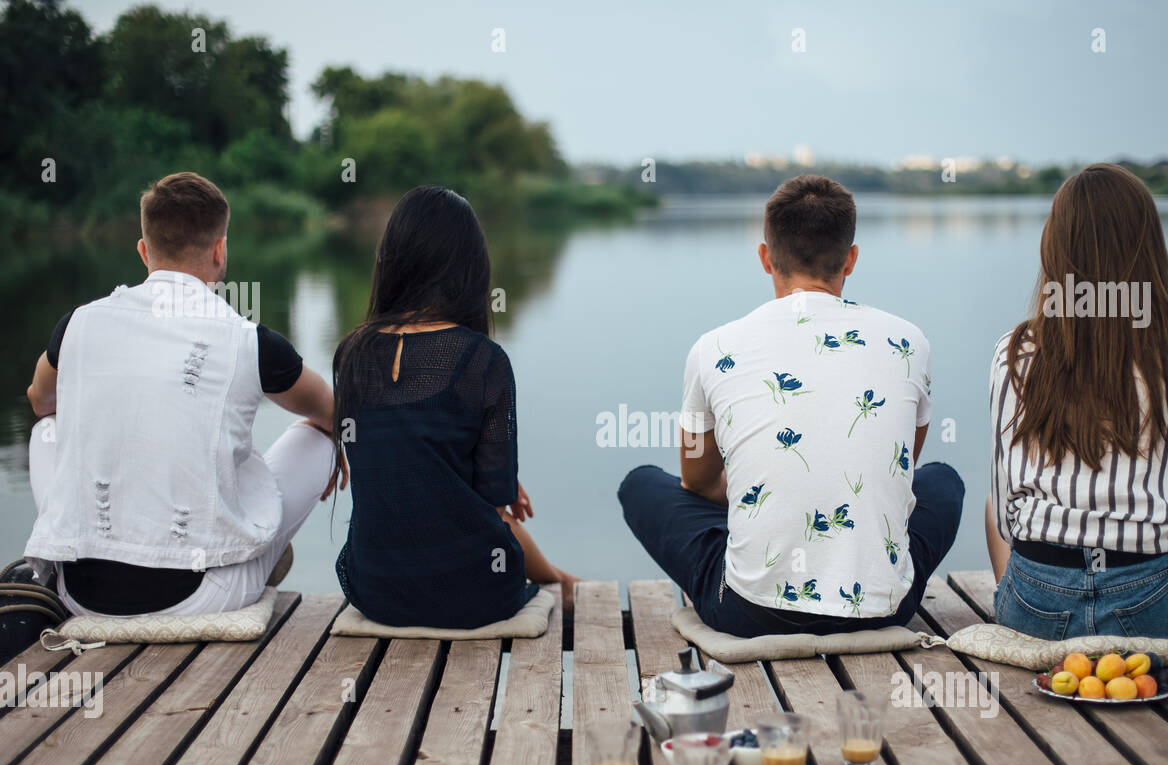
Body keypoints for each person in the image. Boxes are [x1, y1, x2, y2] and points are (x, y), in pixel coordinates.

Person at [619, 174, 963, 637]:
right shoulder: (909, 341)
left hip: (750, 613)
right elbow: (898, 470)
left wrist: (759, 491)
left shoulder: (714, 346)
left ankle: (766, 544)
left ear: (765, 256)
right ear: (852, 258)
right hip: (885, 609)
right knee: (944, 481)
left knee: (641, 484)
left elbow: (695, 481)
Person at [985, 162, 1168, 640]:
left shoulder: (1015, 352)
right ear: (1150, 250)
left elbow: (1005, 514)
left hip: (1037, 606)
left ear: (1054, 247)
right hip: (1151, 606)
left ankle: (1030, 621)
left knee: (990, 503)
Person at [24, 172, 340, 616]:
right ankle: (250, 549)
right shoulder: (251, 340)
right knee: (323, 437)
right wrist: (327, 432)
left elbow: (41, 402)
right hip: (200, 598)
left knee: (47, 432)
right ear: (219, 250)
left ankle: (72, 544)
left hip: (80, 596)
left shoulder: (78, 323)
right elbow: (333, 411)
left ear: (142, 251)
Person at [330, 185, 577, 629]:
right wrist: (491, 490)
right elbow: (498, 508)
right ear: (471, 267)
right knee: (497, 541)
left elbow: (395, 472)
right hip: (475, 595)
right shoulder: (483, 360)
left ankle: (559, 577)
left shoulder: (351, 353)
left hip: (376, 592)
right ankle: (562, 579)